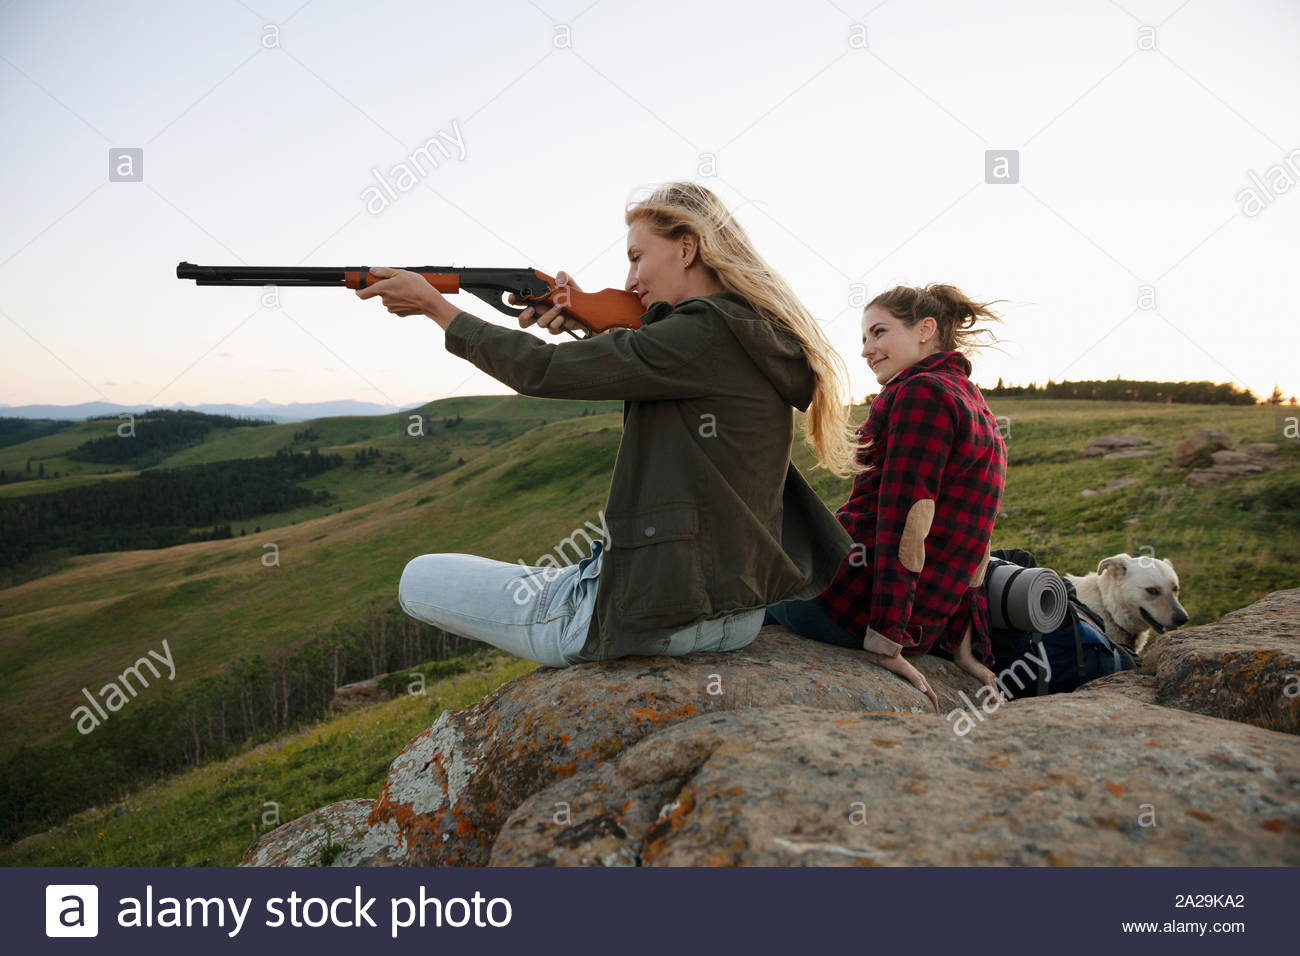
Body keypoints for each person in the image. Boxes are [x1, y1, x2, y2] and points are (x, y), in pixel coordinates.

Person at [355, 182, 862, 668]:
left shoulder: (701, 332)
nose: (630, 281)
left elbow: (542, 369)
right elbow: (649, 363)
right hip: (736, 617)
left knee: (418, 577)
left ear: (687, 248)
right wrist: (586, 319)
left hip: (660, 617)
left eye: (637, 257)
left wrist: (437, 308)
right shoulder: (746, 331)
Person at [764, 284, 1008, 712]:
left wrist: (885, 641)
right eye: (864, 338)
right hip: (921, 625)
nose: (866, 350)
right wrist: (965, 646)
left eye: (878, 332)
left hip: (847, 608)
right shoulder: (976, 404)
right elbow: (976, 539)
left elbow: (907, 521)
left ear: (925, 330)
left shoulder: (921, 393)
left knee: (746, 572)